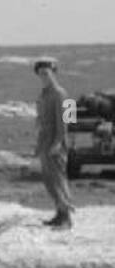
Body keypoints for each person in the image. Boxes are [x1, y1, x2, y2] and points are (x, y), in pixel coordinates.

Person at [34, 57, 76, 229]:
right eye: (40, 74)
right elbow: (40, 119)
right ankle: (59, 213)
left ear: (53, 73)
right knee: (49, 180)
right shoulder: (44, 94)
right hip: (45, 140)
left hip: (55, 141)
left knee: (58, 179)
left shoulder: (60, 93)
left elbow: (65, 121)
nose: (43, 77)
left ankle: (66, 217)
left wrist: (58, 142)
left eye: (46, 73)